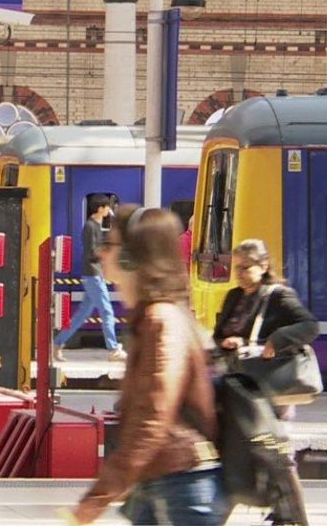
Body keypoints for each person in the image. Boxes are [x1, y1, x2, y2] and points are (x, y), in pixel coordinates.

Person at [66, 205, 229, 525]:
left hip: (182, 484)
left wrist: (101, 494)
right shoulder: (153, 317)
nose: (100, 251)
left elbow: (153, 415)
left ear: (131, 256)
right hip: (161, 478)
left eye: (109, 244)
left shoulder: (161, 320)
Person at [213, 238, 317, 526]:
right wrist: (226, 342)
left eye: (247, 267)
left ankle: (294, 518)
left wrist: (273, 341)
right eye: (237, 268)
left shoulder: (279, 296)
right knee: (237, 452)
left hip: (269, 389)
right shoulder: (234, 296)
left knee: (276, 454)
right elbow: (218, 335)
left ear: (264, 266)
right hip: (237, 388)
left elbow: (310, 326)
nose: (240, 274)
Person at [54, 194, 125, 362]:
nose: (109, 210)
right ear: (100, 208)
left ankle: (58, 343)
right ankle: (113, 349)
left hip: (93, 274)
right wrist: (108, 251)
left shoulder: (95, 226)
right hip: (93, 275)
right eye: (107, 207)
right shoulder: (91, 226)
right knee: (107, 311)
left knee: (82, 314)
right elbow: (91, 253)